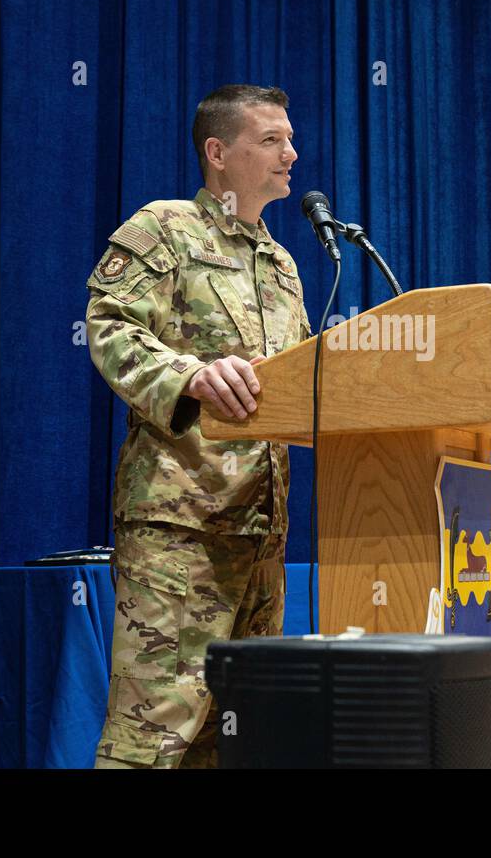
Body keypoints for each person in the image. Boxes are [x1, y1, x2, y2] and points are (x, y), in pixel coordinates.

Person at [86, 84, 311, 768]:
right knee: (152, 737)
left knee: (234, 742)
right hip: (183, 530)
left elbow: (298, 383)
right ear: (218, 152)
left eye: (289, 138)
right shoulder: (166, 228)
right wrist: (186, 374)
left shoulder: (282, 263)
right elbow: (109, 327)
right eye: (271, 140)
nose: (291, 153)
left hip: (262, 534)